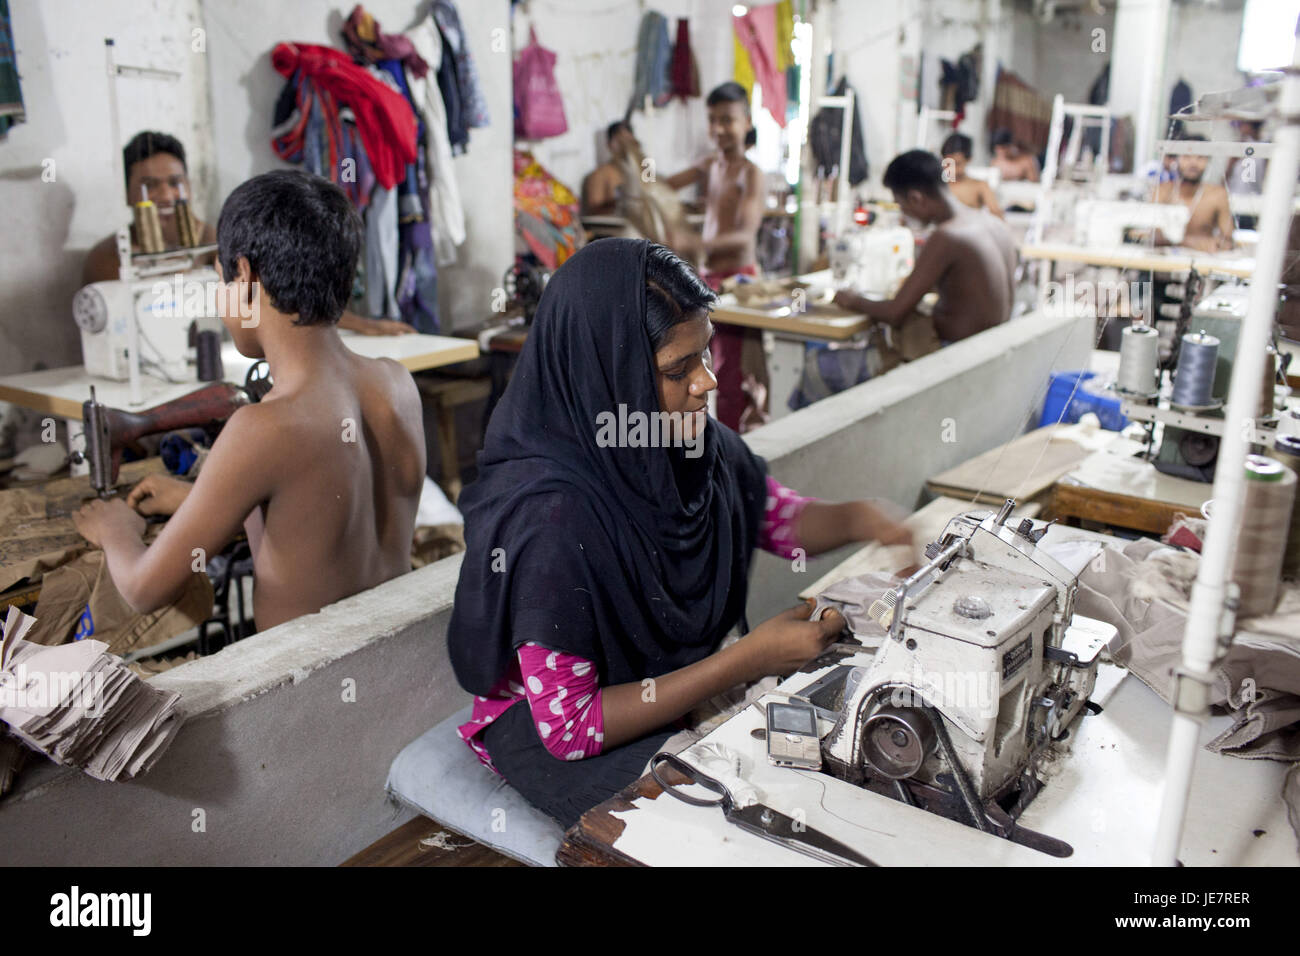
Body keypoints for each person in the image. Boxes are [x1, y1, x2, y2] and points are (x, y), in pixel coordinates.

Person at [445, 238, 914, 827]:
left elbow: (774, 516)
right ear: (609, 378)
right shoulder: (552, 521)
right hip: (557, 730)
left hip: (648, 691)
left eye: (706, 354)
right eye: (677, 370)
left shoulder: (680, 443)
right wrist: (743, 660)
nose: (709, 381)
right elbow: (570, 729)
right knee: (730, 811)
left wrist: (860, 517)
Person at [73, 170, 426, 631]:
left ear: (244, 273)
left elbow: (143, 589)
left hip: (303, 692)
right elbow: (319, 521)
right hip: (396, 672)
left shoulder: (264, 428)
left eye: (222, 280)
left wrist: (115, 529)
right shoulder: (397, 385)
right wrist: (199, 499)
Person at [84, 131, 414, 335]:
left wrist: (367, 326)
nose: (167, 195)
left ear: (188, 184)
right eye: (148, 185)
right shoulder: (109, 260)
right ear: (128, 193)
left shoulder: (213, 241)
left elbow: (282, 297)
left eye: (174, 182)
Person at [835, 150, 1016, 349]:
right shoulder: (993, 223)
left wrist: (851, 299)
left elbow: (894, 313)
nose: (903, 214)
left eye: (901, 204)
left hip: (959, 357)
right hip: (996, 349)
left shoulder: (948, 236)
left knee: (827, 366)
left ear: (915, 198)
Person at [664, 82, 766, 432]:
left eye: (727, 120)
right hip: (706, 279)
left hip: (738, 279)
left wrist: (696, 245)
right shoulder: (710, 165)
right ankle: (713, 439)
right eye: (712, 120)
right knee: (703, 361)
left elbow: (745, 234)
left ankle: (733, 446)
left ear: (747, 122)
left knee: (730, 370)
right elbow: (660, 187)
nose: (719, 129)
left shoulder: (750, 174)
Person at [1152, 135, 1234, 253]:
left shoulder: (1218, 195)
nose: (1193, 163)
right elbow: (1151, 236)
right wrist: (1189, 242)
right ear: (1176, 159)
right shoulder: (1161, 191)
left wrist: (1218, 244)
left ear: (1208, 161)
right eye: (1187, 156)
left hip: (1201, 265)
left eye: (1200, 157)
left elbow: (1227, 240)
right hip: (1162, 266)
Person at [940, 133, 1003, 219]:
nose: (952, 169)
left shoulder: (980, 186)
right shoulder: (938, 186)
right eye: (948, 163)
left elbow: (997, 216)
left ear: (969, 159)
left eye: (958, 164)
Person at [582, 121, 638, 216]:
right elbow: (593, 211)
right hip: (614, 228)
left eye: (627, 140)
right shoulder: (600, 175)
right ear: (609, 144)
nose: (624, 145)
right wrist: (618, 204)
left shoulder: (644, 170)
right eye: (619, 141)